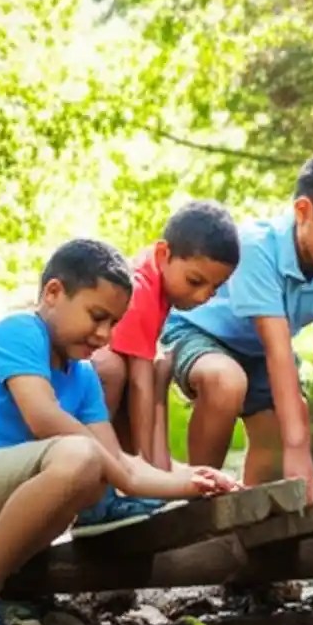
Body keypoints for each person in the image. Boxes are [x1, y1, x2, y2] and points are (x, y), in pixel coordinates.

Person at [0, 239, 237, 625]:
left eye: (114, 323)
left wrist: (189, 480)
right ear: (54, 294)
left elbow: (117, 462)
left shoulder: (84, 378)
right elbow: (44, 418)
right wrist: (122, 472)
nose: (104, 334)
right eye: (96, 316)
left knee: (91, 470)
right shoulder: (20, 332)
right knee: (81, 456)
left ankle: (16, 583)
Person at [159, 150, 313, 502]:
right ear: (303, 211)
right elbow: (278, 347)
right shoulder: (258, 247)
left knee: (278, 431)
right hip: (201, 333)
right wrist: (300, 445)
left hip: (257, 350)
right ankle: (196, 496)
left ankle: (252, 512)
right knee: (226, 382)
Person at [89, 201, 240, 471]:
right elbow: (139, 384)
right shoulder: (140, 289)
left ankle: (154, 466)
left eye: (215, 288)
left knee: (161, 365)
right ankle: (108, 467)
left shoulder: (159, 278)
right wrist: (146, 469)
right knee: (114, 369)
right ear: (163, 255)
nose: (203, 296)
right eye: (195, 281)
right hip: (76, 384)